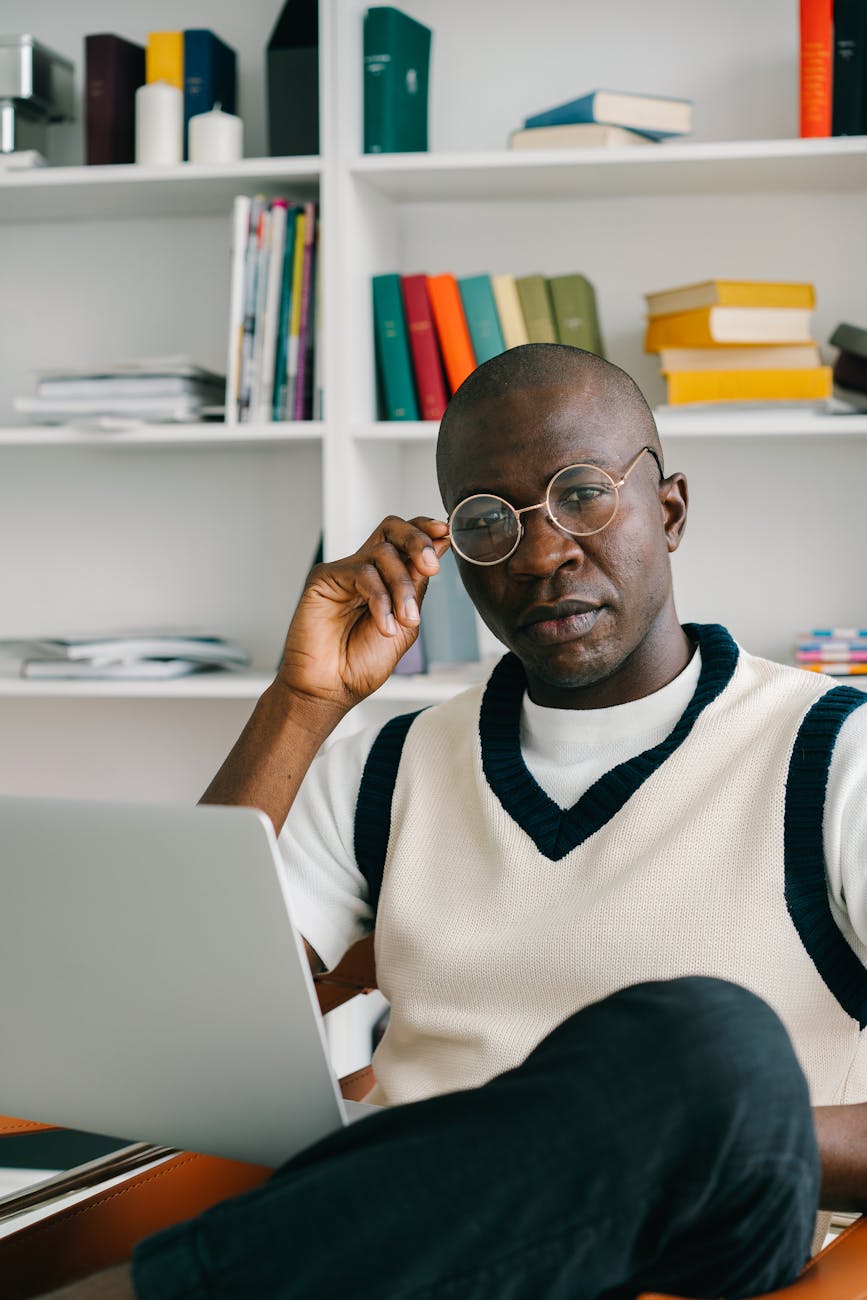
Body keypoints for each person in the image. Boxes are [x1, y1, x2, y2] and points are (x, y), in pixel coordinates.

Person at [43, 344, 867, 1300]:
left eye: (582, 495)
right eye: (488, 521)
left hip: (688, 1245)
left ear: (670, 510)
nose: (543, 552)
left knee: (706, 1046)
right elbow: (168, 1019)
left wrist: (715, 1123)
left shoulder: (833, 755)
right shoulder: (385, 764)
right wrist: (302, 700)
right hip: (416, 1253)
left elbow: (702, 1094)